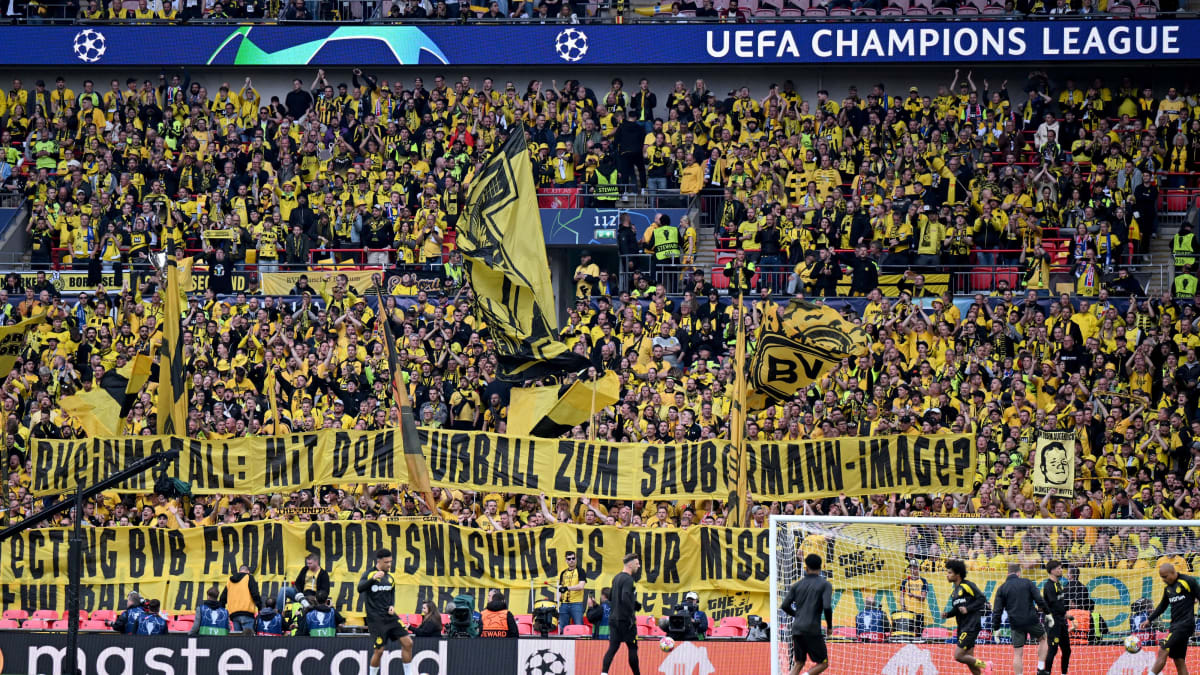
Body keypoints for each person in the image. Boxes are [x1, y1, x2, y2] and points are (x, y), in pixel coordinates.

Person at [359, 549, 414, 675]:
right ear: (378, 561)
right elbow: (360, 588)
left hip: (389, 617)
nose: (389, 565)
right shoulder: (369, 574)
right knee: (379, 651)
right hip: (376, 619)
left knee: (408, 643)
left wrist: (392, 606)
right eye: (386, 562)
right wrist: (373, 578)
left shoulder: (390, 578)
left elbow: (391, 594)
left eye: (390, 562)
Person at [991, 562, 1050, 675]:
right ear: (1019, 573)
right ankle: (1040, 668)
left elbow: (997, 611)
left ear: (1008, 573)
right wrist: (1048, 613)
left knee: (1018, 653)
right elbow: (1039, 600)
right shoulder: (1027, 582)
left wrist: (996, 628)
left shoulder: (1002, 588)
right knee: (1043, 639)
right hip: (1031, 620)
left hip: (1015, 623)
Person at [780, 553, 833, 675]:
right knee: (823, 663)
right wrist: (829, 626)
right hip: (812, 629)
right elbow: (827, 606)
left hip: (797, 628)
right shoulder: (825, 584)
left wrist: (797, 615)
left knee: (799, 663)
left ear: (806, 568)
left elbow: (784, 605)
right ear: (821, 567)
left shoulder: (797, 585)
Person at [1145, 562, 1199, 675]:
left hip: (1185, 625)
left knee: (1162, 649)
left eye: (1165, 577)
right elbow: (1162, 606)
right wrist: (1149, 619)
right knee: (1178, 660)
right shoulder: (1168, 589)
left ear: (1173, 572)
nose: (1163, 579)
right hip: (1175, 626)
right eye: (1161, 577)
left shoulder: (1188, 581)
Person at [944, 559, 990, 675]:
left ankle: (986, 665)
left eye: (949, 573)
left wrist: (968, 609)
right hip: (962, 626)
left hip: (971, 625)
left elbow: (981, 599)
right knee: (970, 659)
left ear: (957, 574)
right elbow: (957, 609)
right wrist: (948, 614)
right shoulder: (954, 592)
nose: (947, 575)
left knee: (958, 655)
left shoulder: (967, 585)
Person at [601, 553, 643, 675]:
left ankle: (604, 673)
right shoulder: (629, 579)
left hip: (614, 619)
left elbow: (612, 598)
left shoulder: (616, 578)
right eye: (637, 563)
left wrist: (634, 603)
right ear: (630, 564)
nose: (638, 566)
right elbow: (625, 597)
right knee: (632, 647)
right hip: (626, 620)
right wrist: (631, 613)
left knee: (613, 647)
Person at [1041, 561, 1071, 675]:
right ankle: (1047, 672)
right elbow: (1054, 604)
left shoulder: (1058, 583)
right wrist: (1065, 613)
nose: (1061, 570)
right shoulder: (1049, 586)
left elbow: (1060, 602)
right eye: (1059, 568)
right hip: (1053, 623)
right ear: (1052, 571)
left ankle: (1064, 673)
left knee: (1067, 650)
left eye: (1061, 568)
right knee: (1053, 650)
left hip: (1061, 622)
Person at [220, 563, 262, 634]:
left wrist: (223, 612)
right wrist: (260, 607)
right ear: (248, 572)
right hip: (247, 614)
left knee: (239, 641)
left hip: (234, 616)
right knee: (249, 640)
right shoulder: (249, 577)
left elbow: (222, 599)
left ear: (240, 571)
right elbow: (255, 594)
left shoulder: (230, 581)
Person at [558, 549, 587, 633]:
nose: (571, 561)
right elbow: (560, 589)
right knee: (562, 628)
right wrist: (557, 600)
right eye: (569, 559)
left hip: (576, 603)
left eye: (573, 558)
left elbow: (581, 586)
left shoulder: (581, 571)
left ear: (576, 559)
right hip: (564, 604)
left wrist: (567, 588)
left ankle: (580, 645)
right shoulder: (563, 573)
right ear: (566, 560)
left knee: (579, 627)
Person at [898, 559, 929, 636]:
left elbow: (923, 597)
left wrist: (913, 595)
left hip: (919, 612)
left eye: (914, 568)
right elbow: (901, 596)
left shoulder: (923, 581)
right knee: (908, 634)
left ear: (918, 568)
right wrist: (903, 606)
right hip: (908, 613)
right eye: (911, 568)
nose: (912, 570)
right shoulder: (905, 581)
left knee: (918, 634)